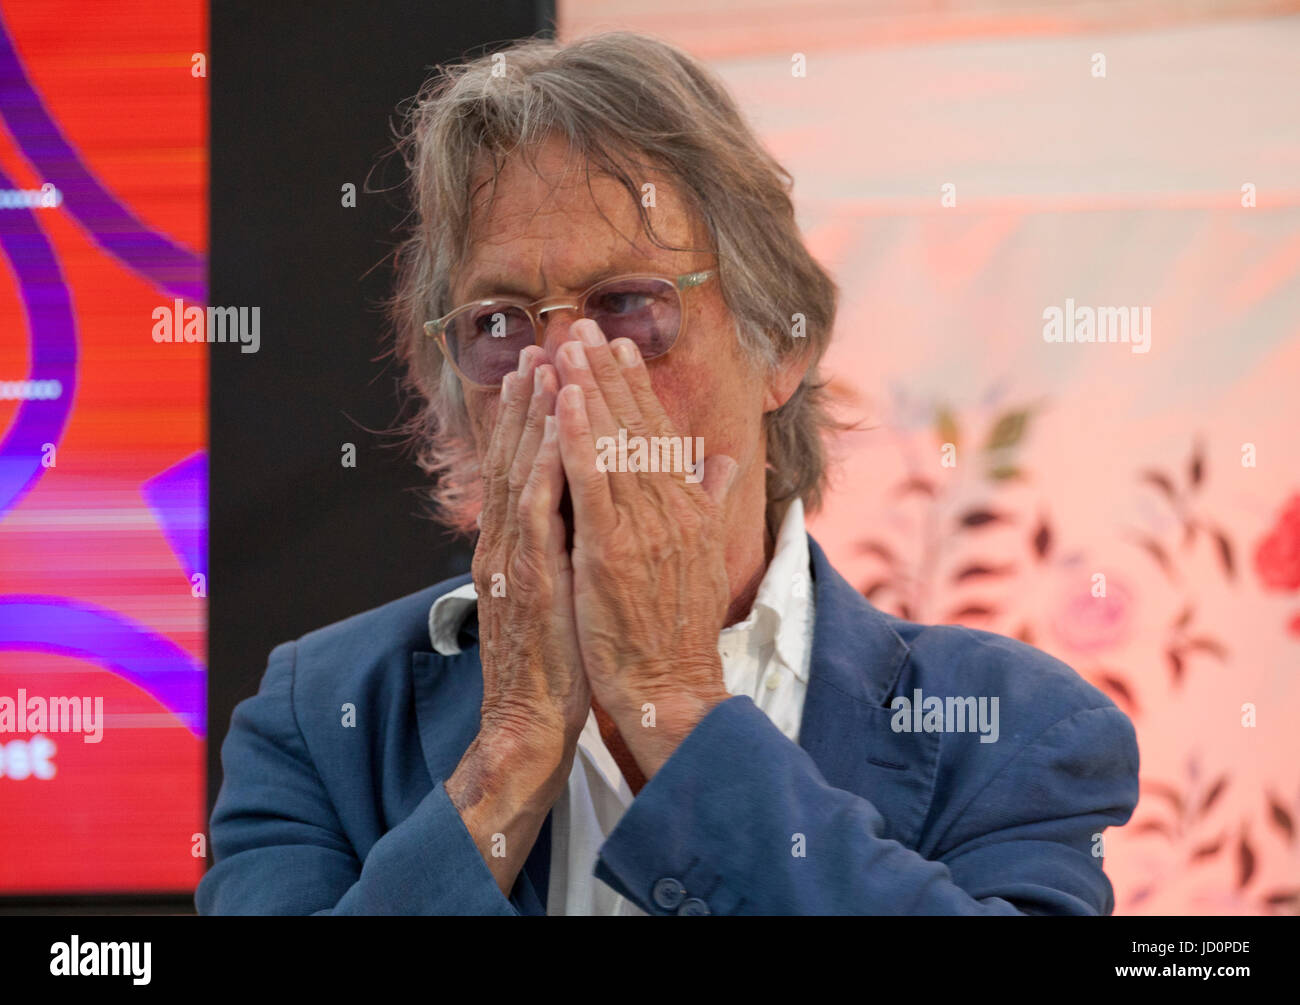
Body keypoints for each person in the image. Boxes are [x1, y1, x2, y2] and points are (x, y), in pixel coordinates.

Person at [197, 31, 1138, 916]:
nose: (562, 372)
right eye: (500, 322)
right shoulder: (317, 716)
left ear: (780, 349)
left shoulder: (1017, 731)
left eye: (627, 307)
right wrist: (512, 750)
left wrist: (674, 702)